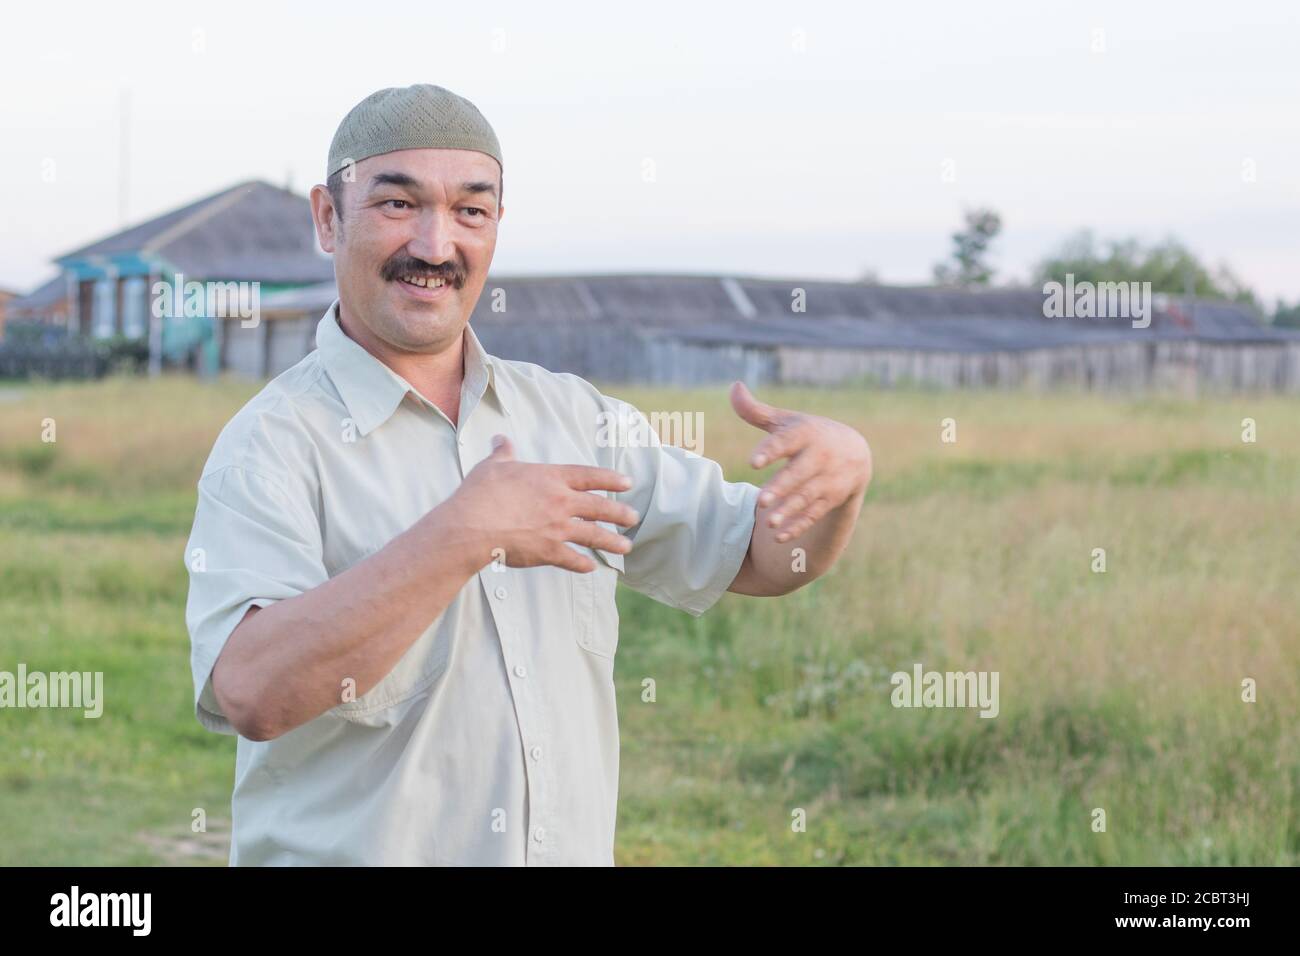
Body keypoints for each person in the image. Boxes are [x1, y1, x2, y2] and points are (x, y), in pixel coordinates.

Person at [184, 83, 872, 865]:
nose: (436, 246)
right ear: (327, 217)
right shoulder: (272, 445)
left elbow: (762, 557)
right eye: (399, 204)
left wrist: (838, 480)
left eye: (471, 210)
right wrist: (462, 535)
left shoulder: (575, 421)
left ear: (496, 227)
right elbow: (253, 690)